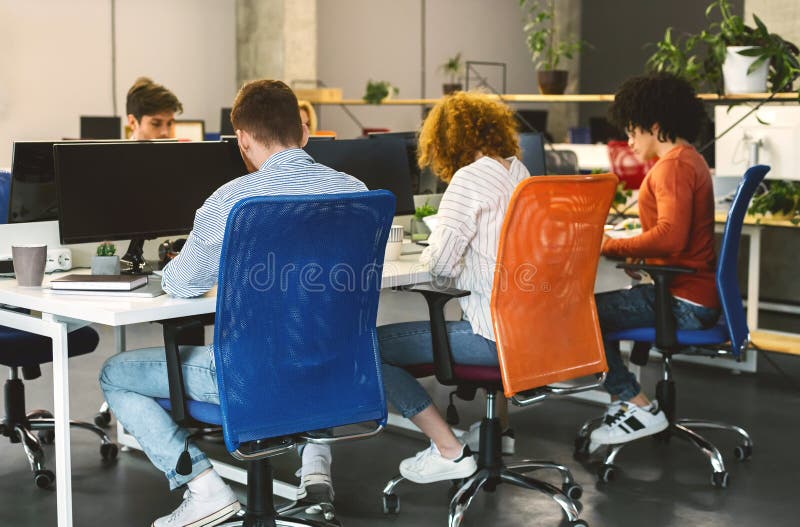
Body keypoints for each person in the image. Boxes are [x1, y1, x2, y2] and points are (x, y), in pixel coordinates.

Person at [99, 79, 367, 527]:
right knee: (310, 338)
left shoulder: (233, 200)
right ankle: (315, 472)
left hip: (253, 376)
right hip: (336, 368)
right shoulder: (356, 192)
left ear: (242, 140)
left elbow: (182, 284)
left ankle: (204, 489)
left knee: (115, 374)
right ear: (304, 132)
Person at [377, 91, 529, 484]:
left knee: (366, 346)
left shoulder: (469, 179)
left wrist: (434, 253)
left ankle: (448, 449)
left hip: (492, 339)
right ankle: (498, 430)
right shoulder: (521, 174)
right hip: (533, 336)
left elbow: (441, 267)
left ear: (446, 140)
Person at [588, 73, 721, 449]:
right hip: (691, 294)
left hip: (682, 302)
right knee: (594, 311)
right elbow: (678, 240)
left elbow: (671, 236)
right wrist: (641, 253)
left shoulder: (672, 167)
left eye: (633, 130)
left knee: (580, 314)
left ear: (657, 127)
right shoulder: (690, 159)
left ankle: (636, 404)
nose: (629, 140)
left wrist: (610, 245)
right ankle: (628, 404)